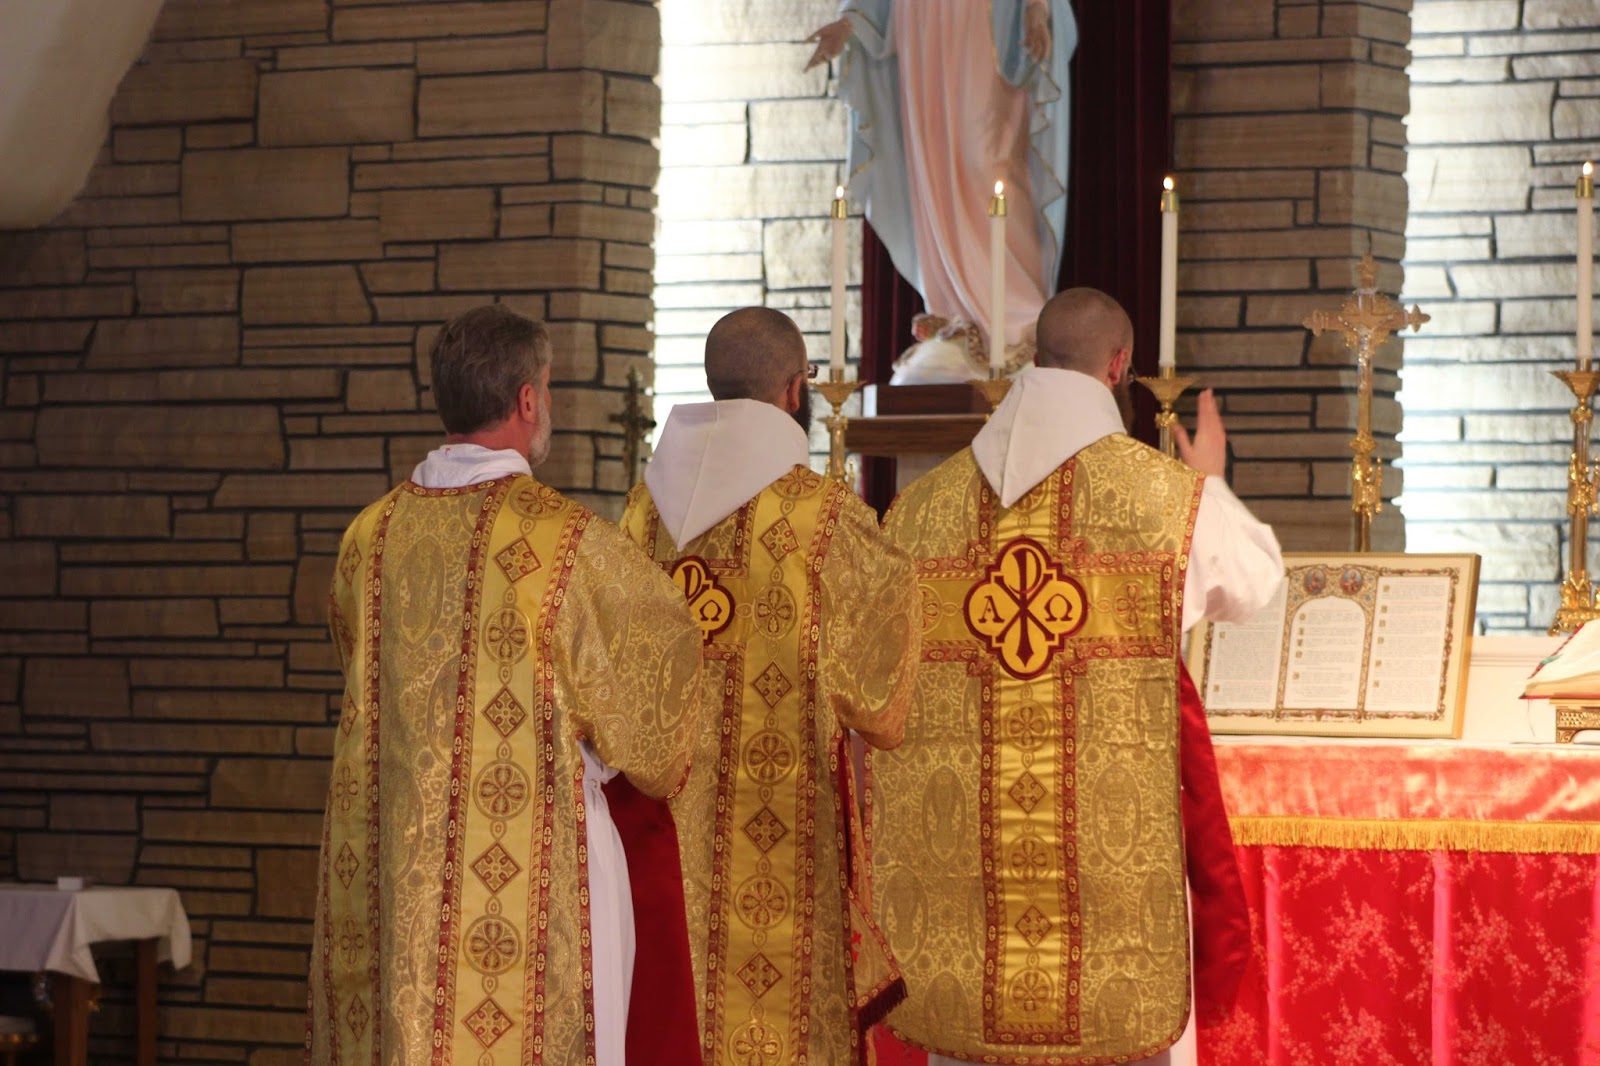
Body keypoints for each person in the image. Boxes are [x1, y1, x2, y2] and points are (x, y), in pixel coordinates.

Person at [870, 288, 1283, 1065]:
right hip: (1113, 892)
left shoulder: (919, 510)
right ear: (1120, 365)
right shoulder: (1170, 499)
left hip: (970, 898)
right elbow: (1257, 587)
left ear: (1032, 360)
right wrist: (1213, 482)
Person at [306, 304, 705, 1066]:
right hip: (533, 886)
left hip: (393, 874)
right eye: (547, 390)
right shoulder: (570, 545)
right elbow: (656, 704)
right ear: (528, 400)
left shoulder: (368, 538)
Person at [618, 306, 922, 1066]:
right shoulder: (824, 522)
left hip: (656, 838)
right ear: (795, 391)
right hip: (784, 842)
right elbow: (883, 700)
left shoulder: (637, 516)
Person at [808, 0, 1077, 371]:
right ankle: (953, 313)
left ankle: (1017, 318)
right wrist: (851, 18)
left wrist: (1036, 6)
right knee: (930, 162)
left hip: (983, 17)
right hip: (921, 19)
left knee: (986, 162)